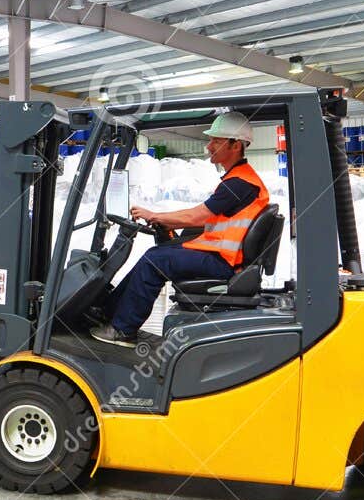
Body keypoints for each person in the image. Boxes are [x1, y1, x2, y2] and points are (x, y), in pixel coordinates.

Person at [90, 112, 269, 347]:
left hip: (224, 262)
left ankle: (123, 330)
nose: (209, 147)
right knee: (155, 255)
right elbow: (205, 217)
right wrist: (164, 221)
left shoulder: (239, 184)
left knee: (155, 261)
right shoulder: (238, 179)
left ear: (235, 145)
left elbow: (199, 216)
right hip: (223, 254)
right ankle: (108, 311)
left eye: (216, 141)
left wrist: (155, 215)